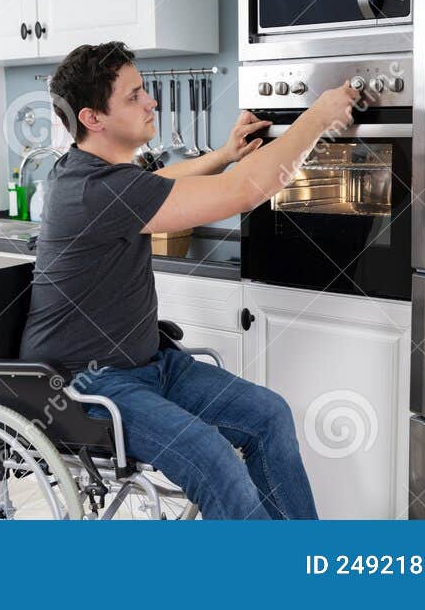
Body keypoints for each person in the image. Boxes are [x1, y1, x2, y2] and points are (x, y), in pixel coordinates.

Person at [18, 41, 359, 519]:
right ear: (94, 118)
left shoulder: (91, 172)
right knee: (217, 462)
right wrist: (320, 116)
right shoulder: (95, 188)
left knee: (269, 415)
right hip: (89, 388)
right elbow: (245, 191)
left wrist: (223, 154)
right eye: (135, 95)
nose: (151, 101)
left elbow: (163, 181)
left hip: (150, 365)